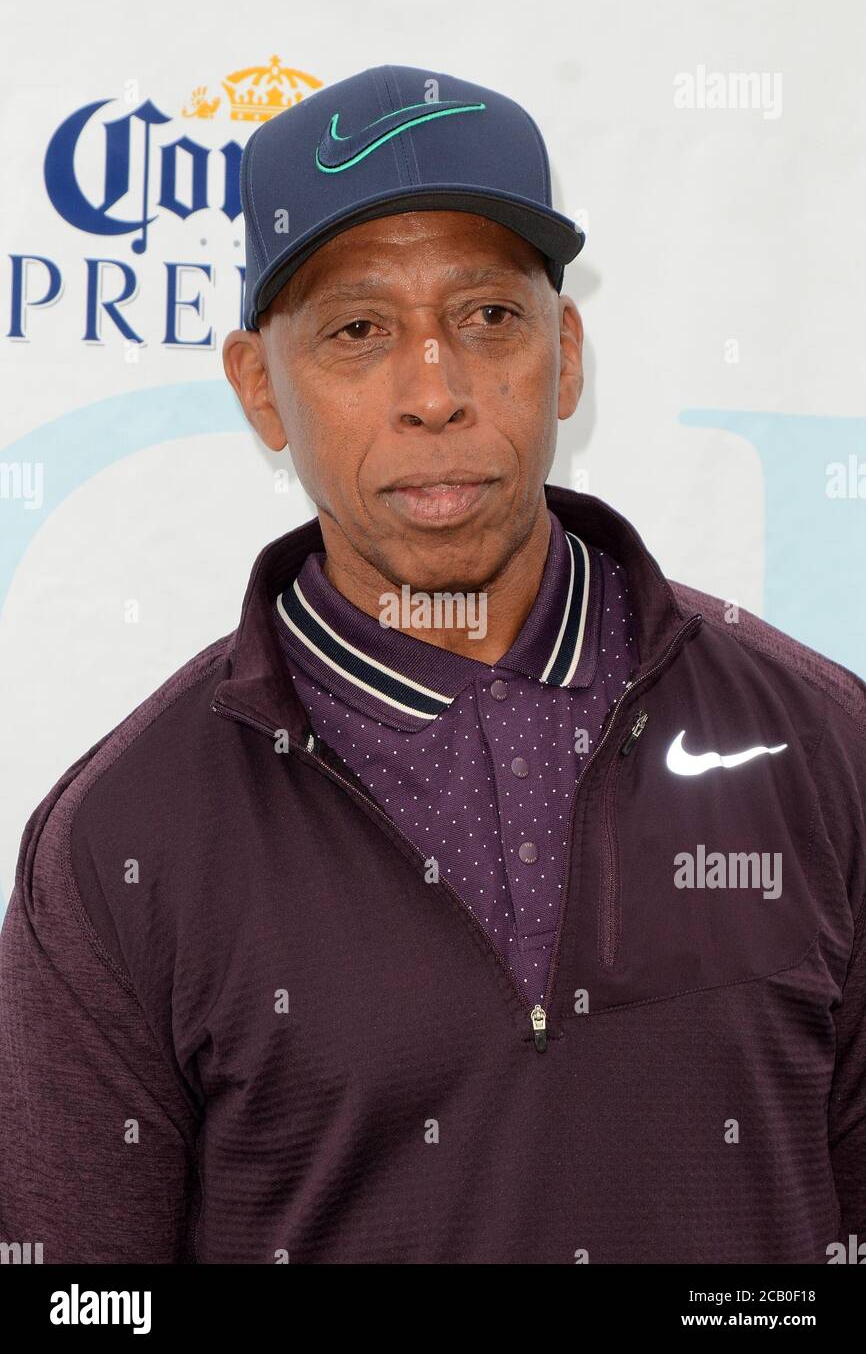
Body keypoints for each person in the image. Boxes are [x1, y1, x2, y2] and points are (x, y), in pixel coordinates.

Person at [1, 63, 864, 1265]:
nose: (435, 392)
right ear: (260, 385)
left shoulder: (821, 747)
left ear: (563, 351)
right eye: (359, 331)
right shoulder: (124, 839)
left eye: (486, 318)